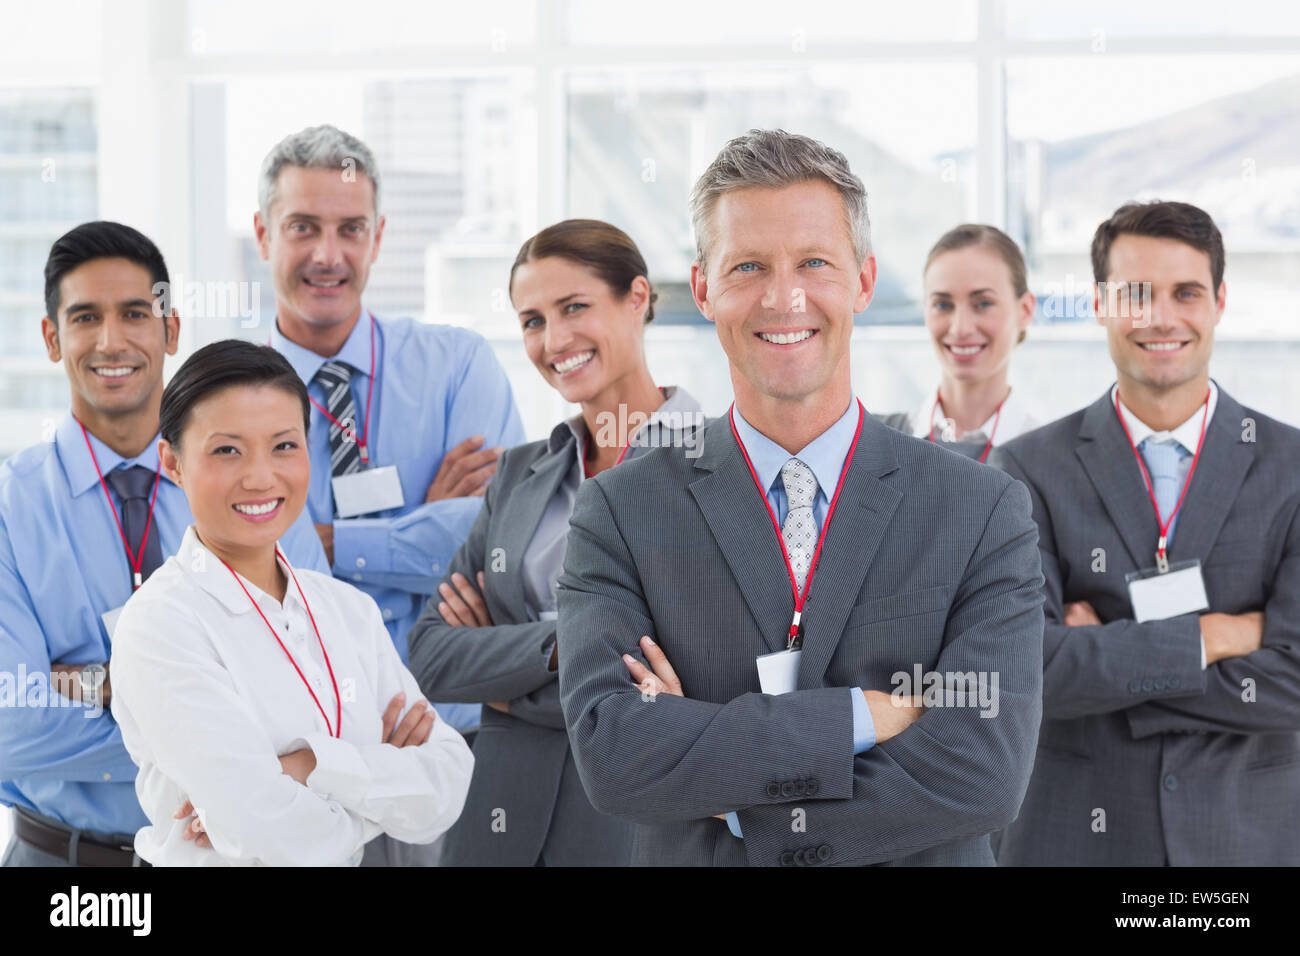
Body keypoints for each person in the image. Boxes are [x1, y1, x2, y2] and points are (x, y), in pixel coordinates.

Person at [555, 129, 1045, 867]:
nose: (784, 298)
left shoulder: (980, 509)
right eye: (748, 266)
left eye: (814, 263)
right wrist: (862, 715)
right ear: (703, 289)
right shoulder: (620, 514)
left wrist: (727, 783)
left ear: (864, 281)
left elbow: (984, 770)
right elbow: (616, 753)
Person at [0, 222, 328, 868]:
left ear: (171, 331)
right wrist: (227, 738)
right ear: (51, 338)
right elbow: (11, 724)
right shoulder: (11, 506)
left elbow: (314, 692)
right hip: (66, 870)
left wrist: (105, 685)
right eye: (85, 317)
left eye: (133, 315)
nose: (111, 341)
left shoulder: (256, 483)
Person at [990, 200, 1300, 866]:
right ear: (1100, 304)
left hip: (1247, 844)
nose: (1160, 317)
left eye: (1185, 292)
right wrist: (1215, 637)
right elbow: (1029, 671)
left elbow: (1294, 680)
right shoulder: (1026, 469)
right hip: (1075, 840)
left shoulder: (1292, 469)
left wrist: (1106, 658)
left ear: (1218, 301)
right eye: (1135, 294)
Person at [254, 126, 524, 863]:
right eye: (302, 227)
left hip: (450, 748)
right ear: (263, 234)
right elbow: (260, 582)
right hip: (304, 773)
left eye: (350, 229)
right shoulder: (229, 394)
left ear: (378, 239)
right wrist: (419, 529)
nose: (327, 255)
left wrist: (330, 538)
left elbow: (492, 546)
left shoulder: (458, 365)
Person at [108, 340, 474, 866]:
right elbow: (268, 832)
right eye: (227, 450)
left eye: (284, 446)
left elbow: (446, 787)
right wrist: (377, 780)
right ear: (172, 461)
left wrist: (305, 765)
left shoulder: (347, 610)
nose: (260, 476)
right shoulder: (161, 624)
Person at [407, 220, 704, 866]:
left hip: (634, 832)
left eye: (574, 308)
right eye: (533, 320)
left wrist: (503, 684)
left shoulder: (720, 471)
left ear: (637, 299)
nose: (554, 340)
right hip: (495, 827)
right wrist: (569, 645)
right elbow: (431, 655)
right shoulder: (518, 475)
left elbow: (702, 675)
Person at [877, 224, 1037, 460]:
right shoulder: (879, 443)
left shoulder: (1051, 458)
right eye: (943, 305)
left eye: (983, 303)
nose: (960, 328)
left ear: (1024, 310)